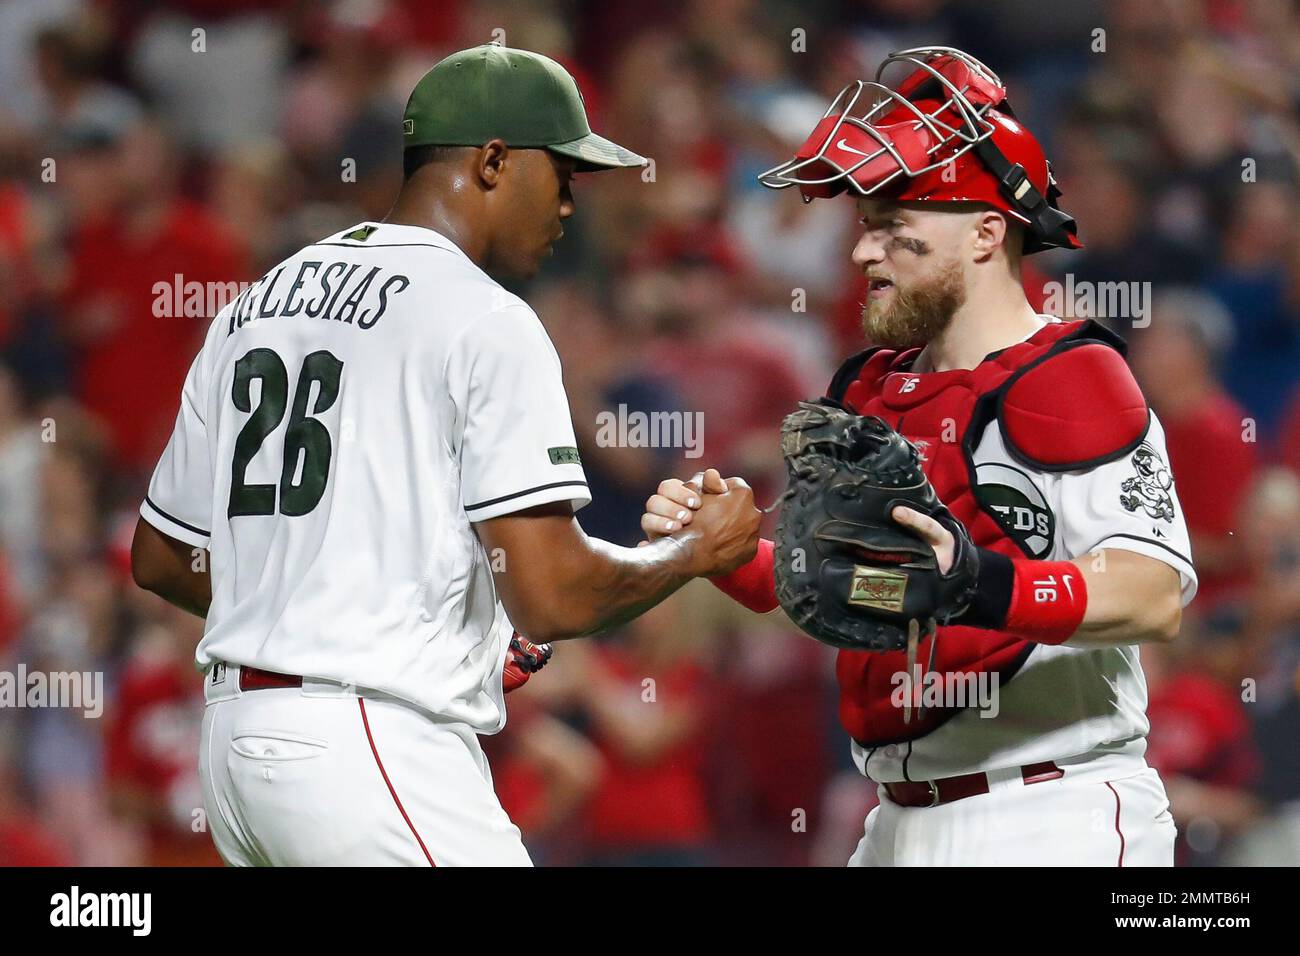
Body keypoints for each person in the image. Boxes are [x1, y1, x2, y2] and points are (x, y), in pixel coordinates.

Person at [130, 42, 760, 867]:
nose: (570, 204)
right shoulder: (483, 316)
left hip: (235, 751)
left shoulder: (261, 301)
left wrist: (380, 621)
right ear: (493, 161)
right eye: (562, 174)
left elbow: (163, 556)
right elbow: (553, 595)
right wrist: (691, 553)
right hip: (364, 745)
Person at [643, 47, 1195, 866]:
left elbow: (1153, 595)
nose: (864, 254)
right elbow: (855, 594)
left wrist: (979, 583)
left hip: (1049, 806)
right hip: (897, 819)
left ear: (985, 233)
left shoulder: (1071, 374)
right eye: (866, 228)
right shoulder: (868, 387)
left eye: (895, 232)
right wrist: (734, 558)